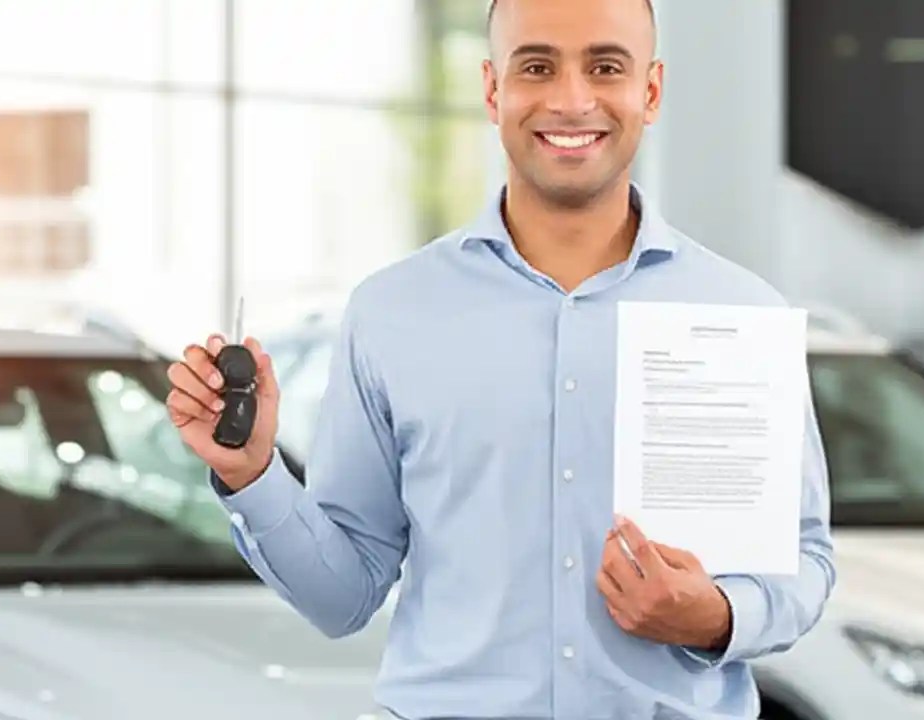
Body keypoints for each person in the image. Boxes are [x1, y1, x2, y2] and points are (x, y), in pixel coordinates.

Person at [165, 0, 836, 717]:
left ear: (651, 90)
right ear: (493, 90)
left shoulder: (741, 312)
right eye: (537, 66)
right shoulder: (393, 314)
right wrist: (251, 473)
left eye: (605, 67)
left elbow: (803, 563)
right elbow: (343, 597)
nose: (572, 99)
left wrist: (715, 616)